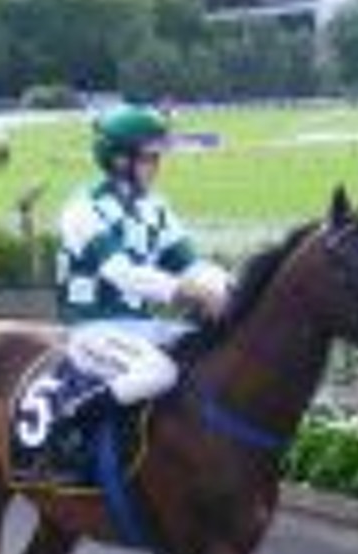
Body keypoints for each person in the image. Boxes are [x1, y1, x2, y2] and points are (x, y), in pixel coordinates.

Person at [54, 102, 231, 432]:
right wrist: (190, 292)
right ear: (120, 160)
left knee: (213, 352)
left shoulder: (154, 208)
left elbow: (191, 265)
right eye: (150, 158)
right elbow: (124, 274)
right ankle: (71, 422)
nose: (157, 167)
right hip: (92, 330)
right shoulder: (82, 209)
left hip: (142, 328)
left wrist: (235, 288)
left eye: (158, 157)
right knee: (160, 373)